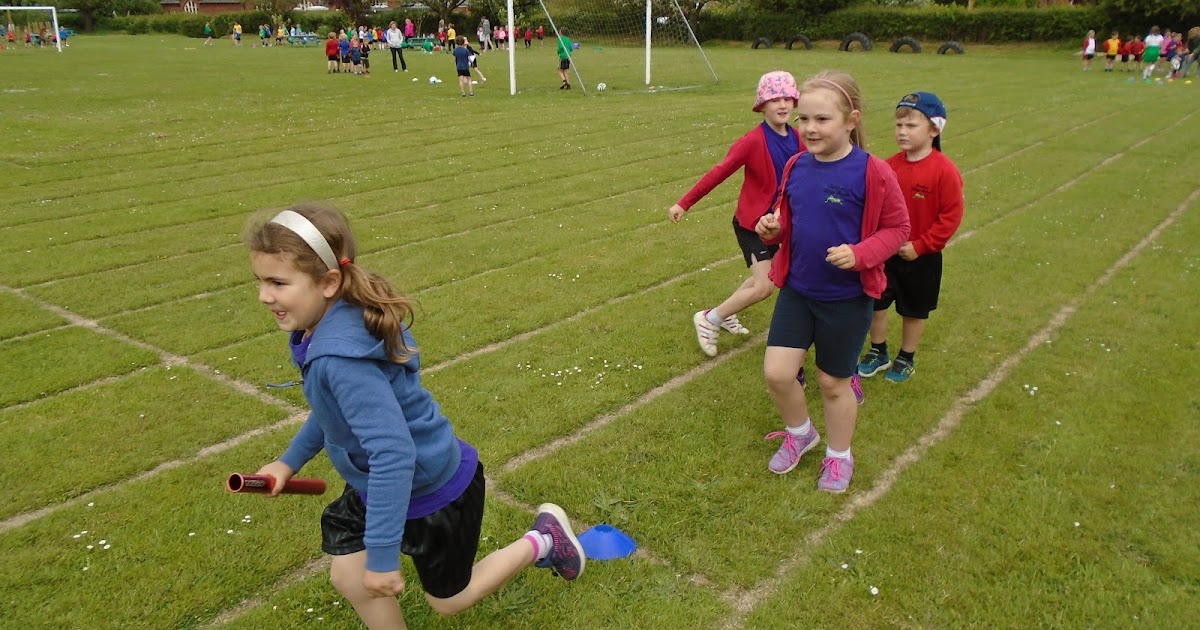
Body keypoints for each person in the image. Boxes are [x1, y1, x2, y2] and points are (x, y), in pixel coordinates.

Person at [243, 204, 585, 628]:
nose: (264, 295)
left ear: (329, 282)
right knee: (349, 573)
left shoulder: (339, 359)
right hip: (380, 484)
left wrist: (384, 558)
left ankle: (543, 540)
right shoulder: (324, 329)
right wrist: (287, 462)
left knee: (448, 600)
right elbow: (332, 413)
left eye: (278, 282)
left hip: (430, 491)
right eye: (260, 281)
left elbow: (393, 454)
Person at [754, 70, 910, 492]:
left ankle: (839, 457)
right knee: (778, 373)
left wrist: (860, 255)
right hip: (798, 291)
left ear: (851, 120)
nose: (808, 128)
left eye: (822, 120)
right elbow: (793, 220)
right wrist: (775, 230)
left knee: (832, 382)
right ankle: (801, 433)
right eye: (803, 119)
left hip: (846, 297)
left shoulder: (872, 172)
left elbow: (898, 229)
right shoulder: (795, 165)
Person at [671, 71, 804, 358]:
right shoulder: (752, 141)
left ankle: (726, 313)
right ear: (762, 105)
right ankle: (710, 319)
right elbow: (719, 172)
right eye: (775, 99)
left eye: (787, 98)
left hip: (780, 225)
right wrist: (684, 203)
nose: (782, 105)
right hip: (751, 225)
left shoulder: (799, 138)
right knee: (765, 286)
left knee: (767, 279)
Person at [857, 92, 963, 385]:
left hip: (922, 258)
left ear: (934, 129)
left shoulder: (945, 171)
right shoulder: (887, 166)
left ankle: (906, 356)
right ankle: (878, 351)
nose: (902, 132)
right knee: (875, 303)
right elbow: (873, 205)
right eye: (898, 125)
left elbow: (950, 217)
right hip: (885, 253)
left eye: (911, 125)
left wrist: (920, 246)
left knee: (913, 310)